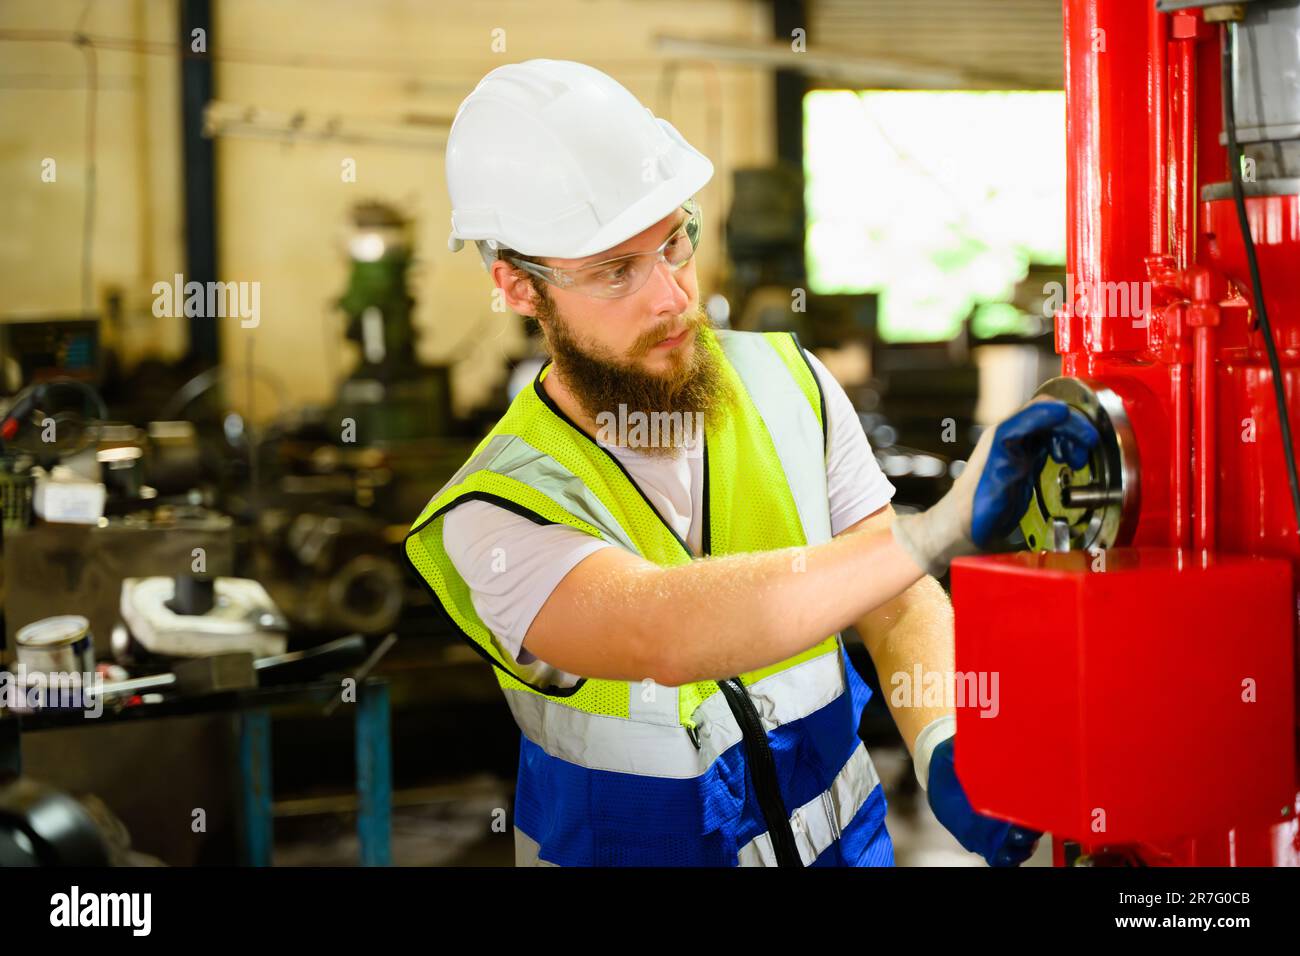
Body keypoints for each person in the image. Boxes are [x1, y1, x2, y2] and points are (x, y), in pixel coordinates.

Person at [404, 59, 1097, 867]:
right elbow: (657, 627)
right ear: (520, 289)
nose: (671, 296)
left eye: (674, 241)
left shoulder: (789, 382)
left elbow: (893, 599)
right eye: (616, 272)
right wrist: (933, 531)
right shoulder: (496, 509)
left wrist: (942, 737)